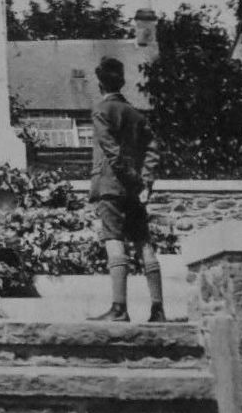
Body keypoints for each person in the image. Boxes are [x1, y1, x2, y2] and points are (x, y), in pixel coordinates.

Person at [87, 57, 166, 323]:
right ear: (121, 81)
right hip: (135, 191)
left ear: (100, 83)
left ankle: (119, 309)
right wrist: (145, 182)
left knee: (114, 239)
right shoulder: (136, 114)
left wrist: (133, 180)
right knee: (143, 241)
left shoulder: (102, 110)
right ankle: (158, 309)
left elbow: (112, 153)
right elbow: (153, 150)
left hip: (112, 185)